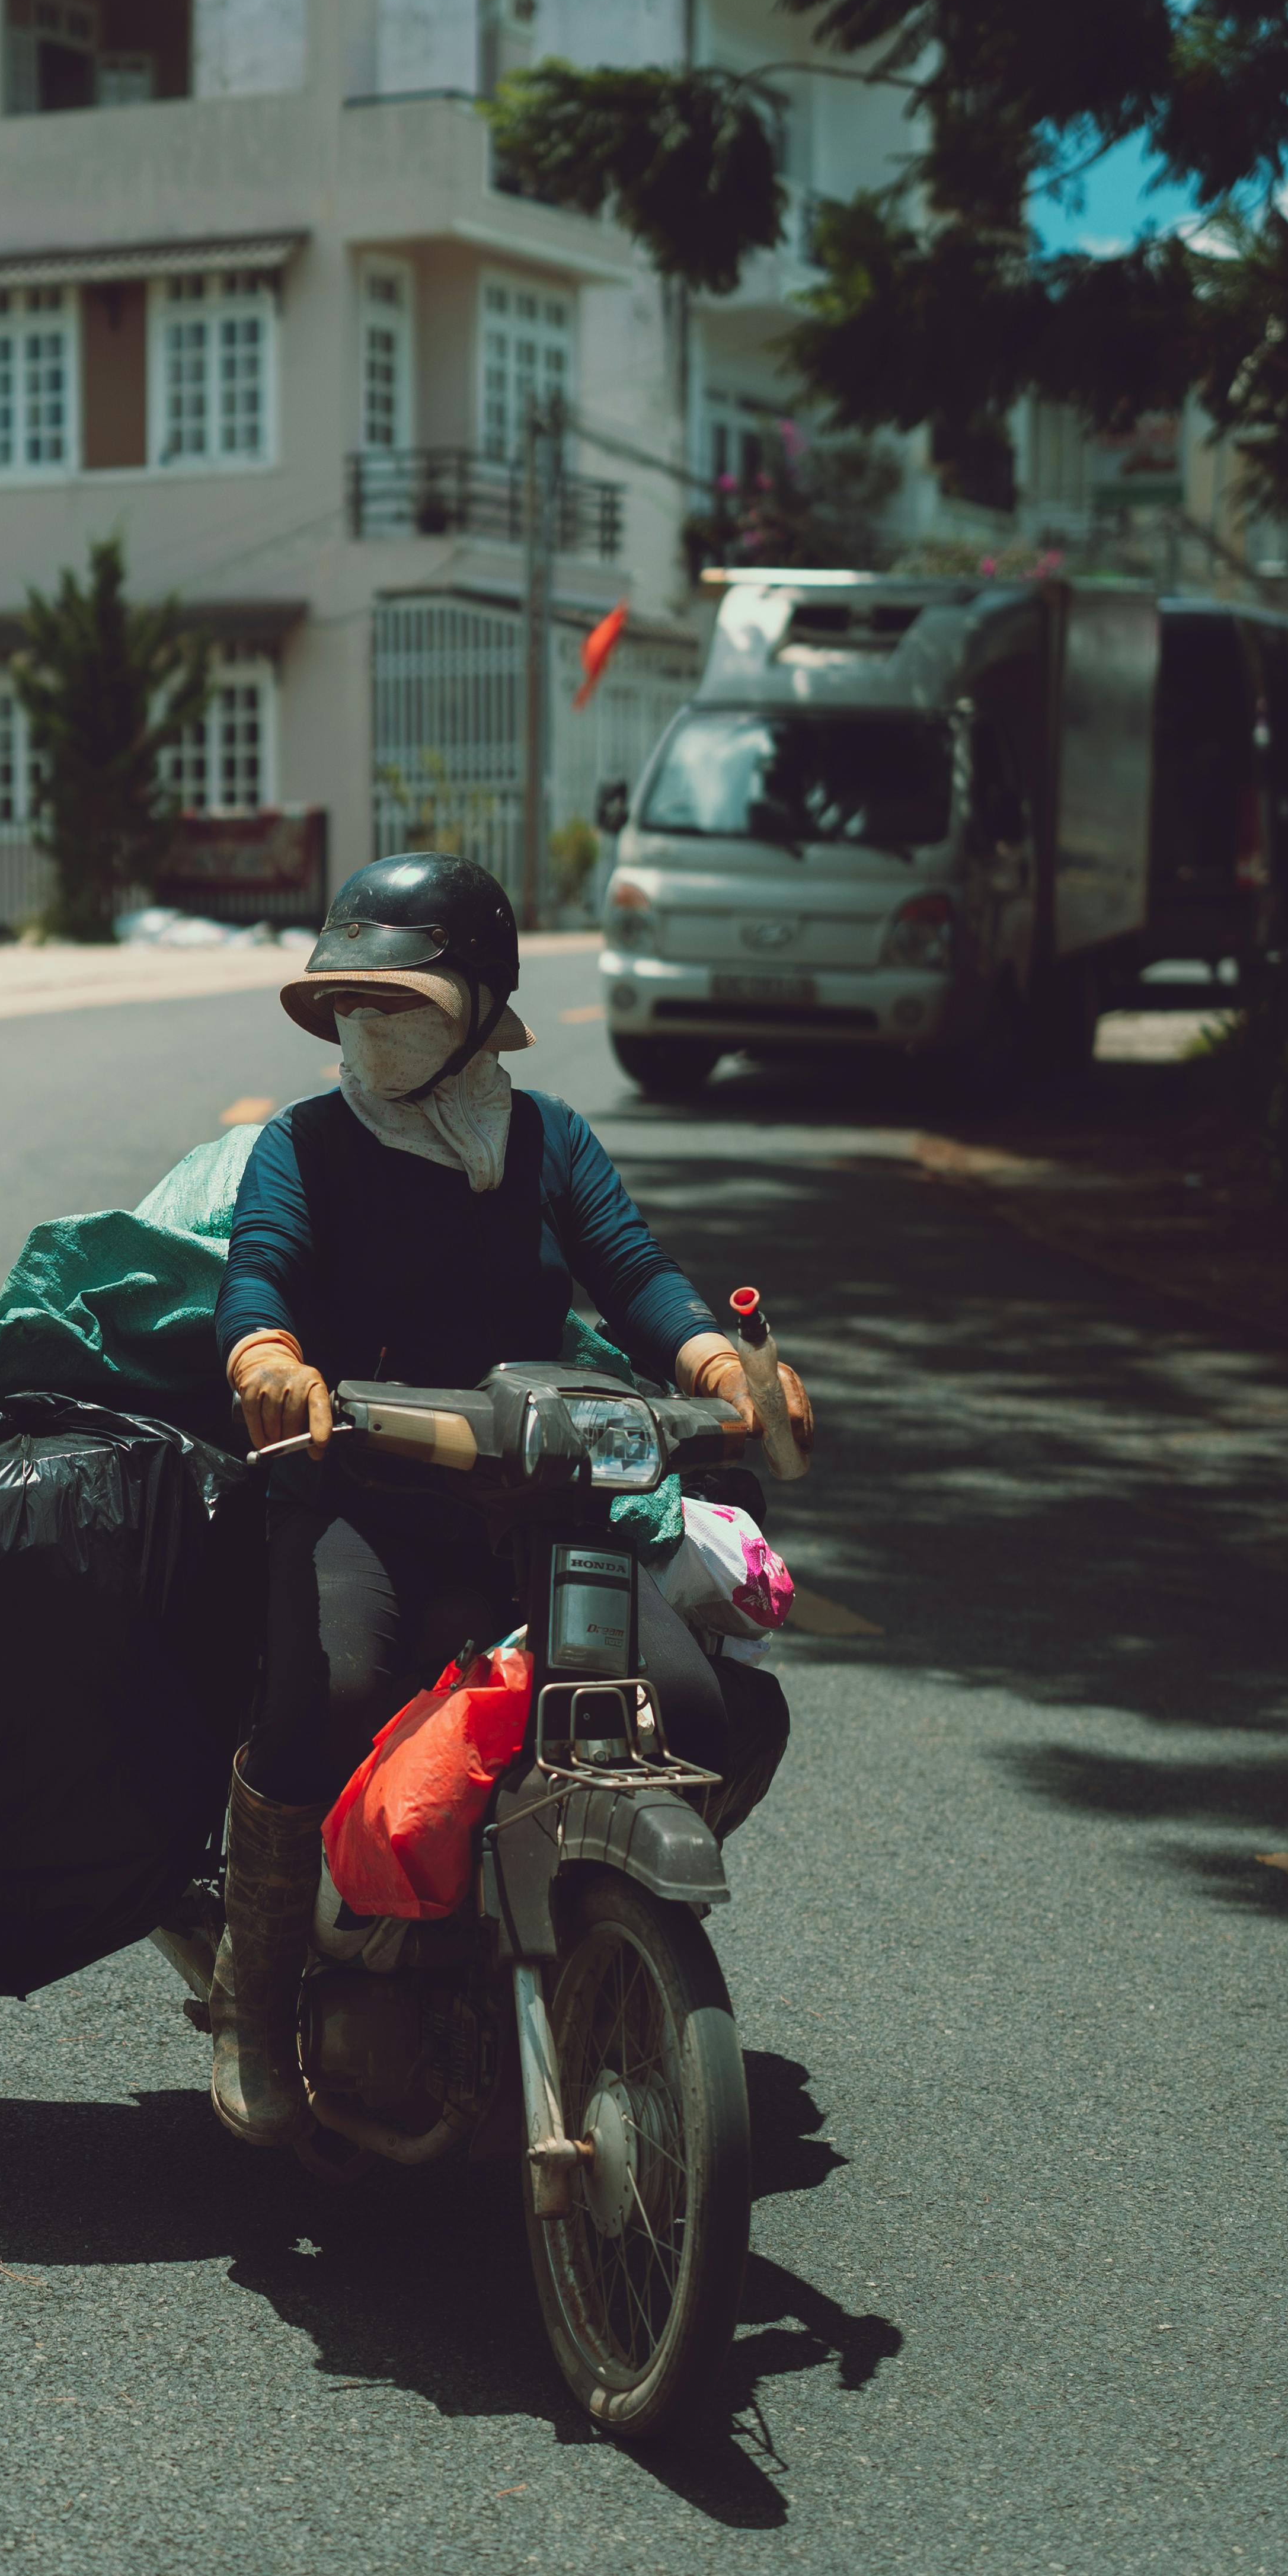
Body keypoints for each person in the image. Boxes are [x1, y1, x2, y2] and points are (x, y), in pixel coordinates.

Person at [207, 851, 814, 2147]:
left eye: (399, 1002)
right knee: (329, 1693)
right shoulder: (304, 1144)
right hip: (360, 1496)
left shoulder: (547, 1140)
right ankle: (253, 2001)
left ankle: (586, 1926)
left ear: (482, 1003)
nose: (367, 1027)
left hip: (538, 1502)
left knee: (699, 1710)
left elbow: (634, 1275)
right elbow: (259, 1271)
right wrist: (266, 1359)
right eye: (350, 1004)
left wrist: (716, 1366)